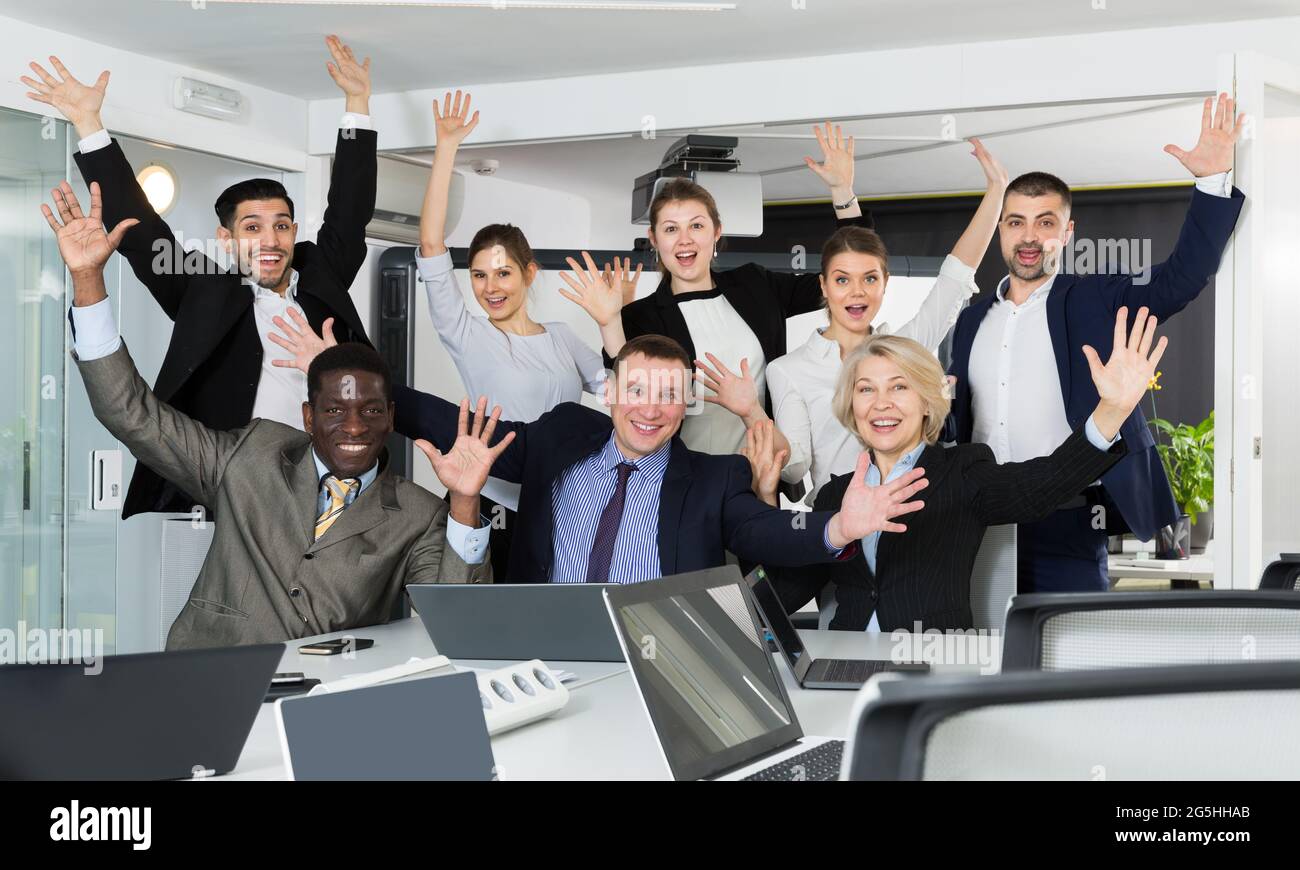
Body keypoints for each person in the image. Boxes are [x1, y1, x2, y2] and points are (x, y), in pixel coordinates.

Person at [45, 182, 496, 649]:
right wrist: (87, 279)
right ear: (308, 416)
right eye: (335, 410)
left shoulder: (417, 514)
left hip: (326, 703)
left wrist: (464, 501)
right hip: (212, 683)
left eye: (371, 410)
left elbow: (458, 622)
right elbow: (129, 411)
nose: (355, 426)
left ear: (390, 418)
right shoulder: (246, 460)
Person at [271, 322, 926, 584]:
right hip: (540, 649)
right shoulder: (559, 436)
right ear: (611, 391)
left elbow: (767, 532)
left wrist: (839, 525)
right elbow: (456, 422)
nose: (651, 406)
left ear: (686, 403)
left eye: (669, 394)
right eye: (637, 388)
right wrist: (340, 371)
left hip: (656, 656)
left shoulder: (715, 479)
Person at [22, 35, 379, 517]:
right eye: (252, 228)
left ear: (294, 231)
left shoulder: (322, 277)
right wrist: (89, 124)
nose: (270, 241)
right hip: (236, 488)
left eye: (280, 226)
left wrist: (357, 104)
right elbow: (144, 234)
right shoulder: (204, 290)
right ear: (226, 239)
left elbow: (349, 212)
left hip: (336, 485)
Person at [944, 93, 1245, 593]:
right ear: (1001, 229)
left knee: (1070, 652)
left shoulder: (1096, 300)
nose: (1029, 237)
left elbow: (1180, 279)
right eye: (1016, 221)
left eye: (1046, 223)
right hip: (979, 517)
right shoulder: (972, 320)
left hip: (1070, 518)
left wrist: (1211, 183)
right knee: (985, 653)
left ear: (1067, 233)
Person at [760, 305, 1167, 632]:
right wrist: (765, 500)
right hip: (846, 665)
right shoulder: (834, 495)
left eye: (899, 387)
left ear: (926, 402)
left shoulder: (963, 471)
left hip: (933, 666)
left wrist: (1112, 411)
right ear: (852, 405)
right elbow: (783, 595)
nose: (880, 403)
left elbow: (1043, 483)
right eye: (866, 389)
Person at [557, 123, 878, 456]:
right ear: (655, 240)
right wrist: (610, 320)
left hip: (758, 475)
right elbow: (623, 393)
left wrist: (843, 194)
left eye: (697, 225)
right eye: (671, 229)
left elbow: (846, 277)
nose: (685, 239)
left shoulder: (755, 285)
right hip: (681, 481)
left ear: (716, 232)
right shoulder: (642, 316)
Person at [717, 138, 1006, 504]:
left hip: (911, 514)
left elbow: (954, 278)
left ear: (885, 283)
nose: (857, 292)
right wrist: (752, 412)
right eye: (842, 280)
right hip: (838, 527)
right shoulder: (788, 369)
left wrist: (996, 192)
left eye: (870, 279)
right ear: (823, 285)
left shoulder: (905, 350)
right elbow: (793, 467)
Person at [407, 90, 621, 578]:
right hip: (489, 498)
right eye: (479, 275)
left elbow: (624, 392)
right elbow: (432, 244)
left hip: (562, 498)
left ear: (528, 273)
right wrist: (446, 148)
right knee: (482, 613)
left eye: (502, 274)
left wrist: (612, 320)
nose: (490, 287)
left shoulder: (564, 336)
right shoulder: (466, 333)